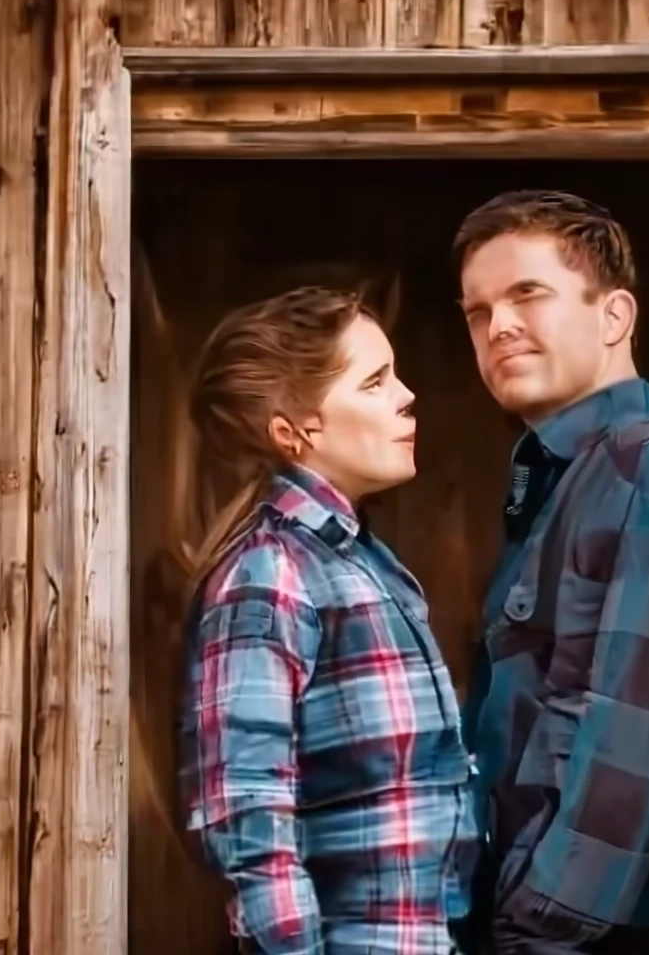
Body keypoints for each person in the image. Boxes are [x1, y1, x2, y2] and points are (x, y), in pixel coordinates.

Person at [453, 191, 649, 953]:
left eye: (528, 294)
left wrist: (537, 932)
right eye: (477, 311)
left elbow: (638, 737)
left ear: (614, 316)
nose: (498, 326)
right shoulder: (571, 482)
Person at [176, 283, 478, 955]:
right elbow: (249, 822)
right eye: (374, 382)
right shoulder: (271, 574)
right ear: (294, 430)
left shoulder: (359, 563)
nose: (407, 395)